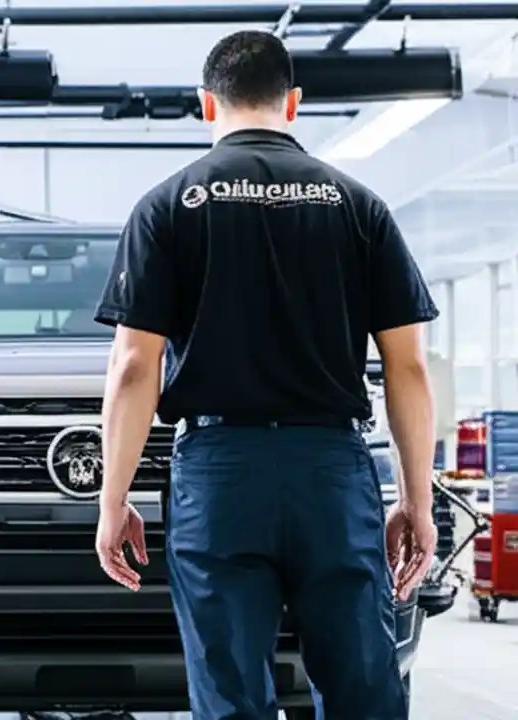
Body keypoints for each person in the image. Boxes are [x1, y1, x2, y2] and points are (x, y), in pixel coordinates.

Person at [90, 30, 439, 720]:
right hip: (331, 472)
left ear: (206, 106)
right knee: (364, 686)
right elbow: (408, 367)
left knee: (229, 693)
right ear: (295, 103)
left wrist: (113, 498)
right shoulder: (358, 206)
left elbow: (135, 366)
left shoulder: (168, 206)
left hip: (220, 475)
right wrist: (416, 503)